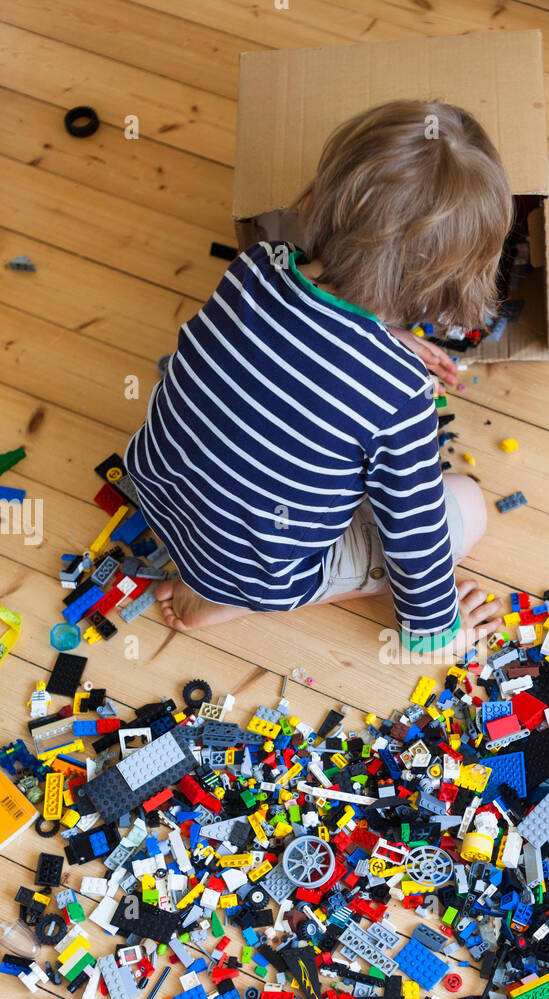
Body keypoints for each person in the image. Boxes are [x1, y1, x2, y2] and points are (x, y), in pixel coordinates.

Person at [124, 99, 511, 653]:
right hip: (251, 570)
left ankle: (214, 574)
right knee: (466, 507)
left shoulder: (254, 268)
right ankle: (226, 598)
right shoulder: (398, 394)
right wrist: (442, 631)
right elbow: (416, 532)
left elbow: (303, 344)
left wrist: (386, 339)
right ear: (446, 285)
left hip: (158, 490)